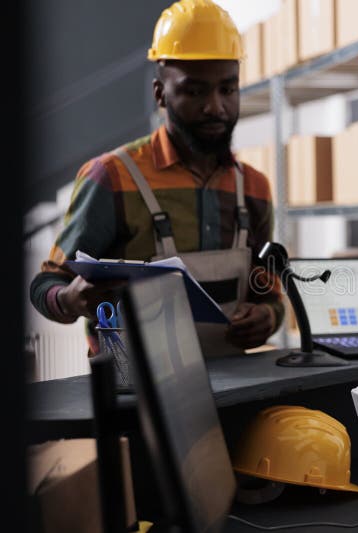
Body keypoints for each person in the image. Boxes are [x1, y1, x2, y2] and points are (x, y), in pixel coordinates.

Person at [29, 0, 284, 356]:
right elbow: (45, 285)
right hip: (131, 392)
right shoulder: (112, 178)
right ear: (160, 94)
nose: (215, 106)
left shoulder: (254, 188)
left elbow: (269, 293)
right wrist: (70, 298)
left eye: (227, 89)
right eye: (194, 91)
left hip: (232, 389)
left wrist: (268, 317)